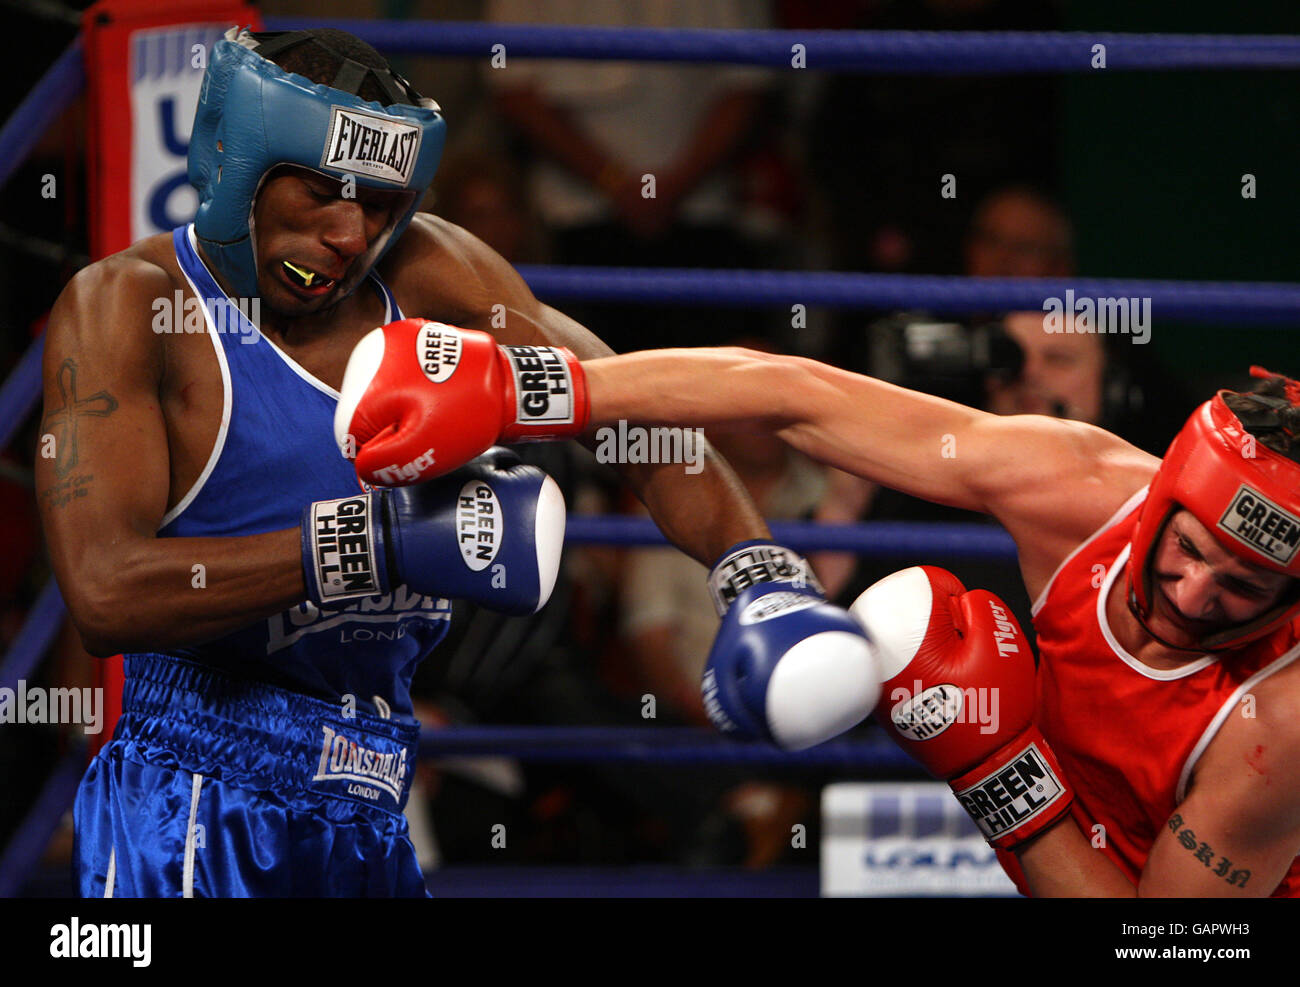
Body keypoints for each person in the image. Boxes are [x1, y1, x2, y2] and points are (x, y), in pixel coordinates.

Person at [36, 27, 877, 898]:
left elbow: (627, 414)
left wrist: (754, 570)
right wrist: (379, 542)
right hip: (198, 794)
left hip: (373, 790)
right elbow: (105, 589)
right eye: (322, 192)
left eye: (378, 202)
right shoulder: (132, 307)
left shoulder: (430, 274)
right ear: (234, 160)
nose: (346, 232)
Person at [389, 339, 1295, 897]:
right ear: (1163, 497)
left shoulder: (1277, 724)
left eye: (1244, 587)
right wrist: (533, 389)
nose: (1193, 592)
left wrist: (998, 766)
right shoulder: (1080, 487)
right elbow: (794, 392)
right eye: (1189, 547)